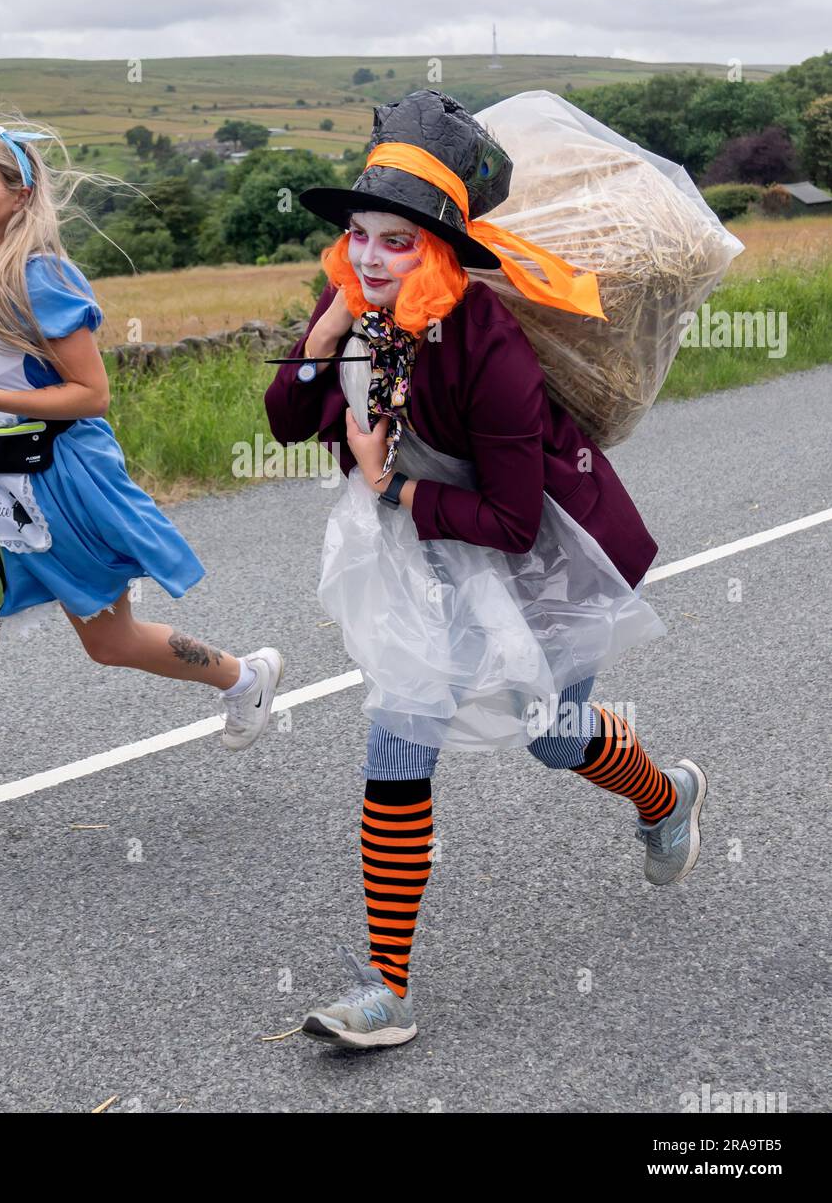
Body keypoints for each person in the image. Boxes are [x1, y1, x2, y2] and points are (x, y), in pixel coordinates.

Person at [264, 89, 706, 1050]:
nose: (373, 257)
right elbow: (287, 418)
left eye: (397, 243)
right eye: (361, 237)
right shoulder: (357, 305)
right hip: (423, 554)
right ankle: (384, 990)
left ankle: (667, 796)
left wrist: (392, 493)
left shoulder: (488, 345)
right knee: (398, 737)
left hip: (545, 554)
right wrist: (331, 326)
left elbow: (510, 523)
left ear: (441, 250)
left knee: (553, 737)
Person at [0, 106, 283, 873]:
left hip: (57, 485)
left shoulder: (38, 276)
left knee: (110, 643)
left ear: (18, 196)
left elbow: (92, 392)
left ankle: (245, 676)